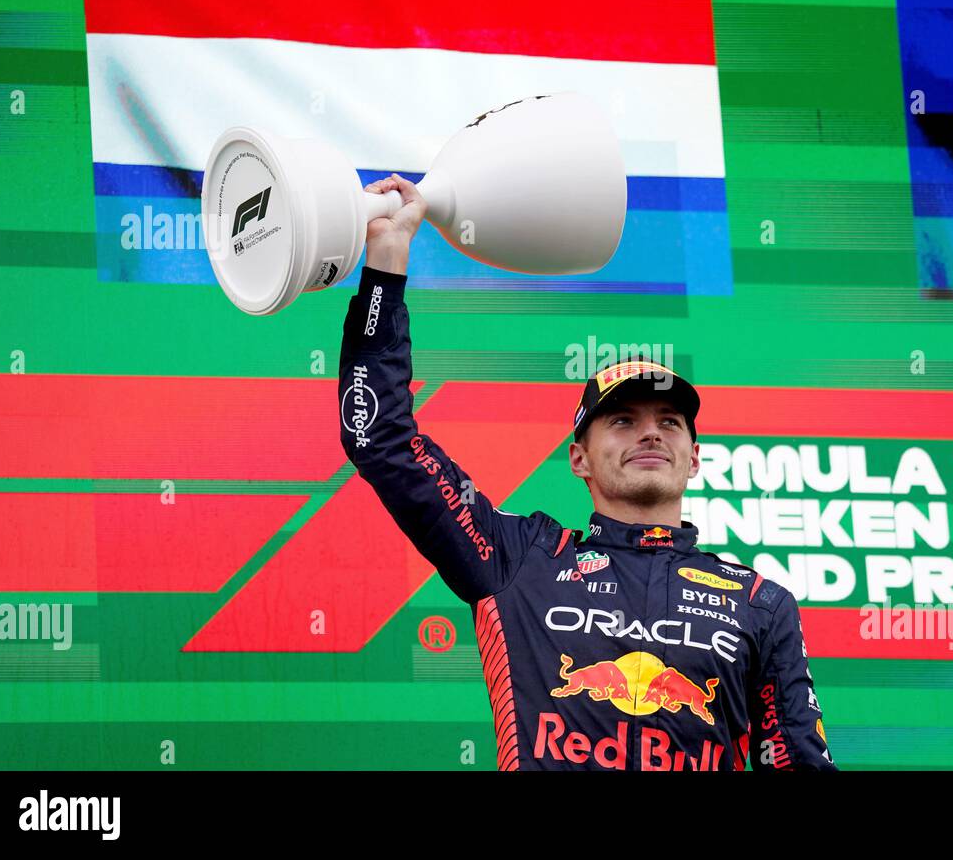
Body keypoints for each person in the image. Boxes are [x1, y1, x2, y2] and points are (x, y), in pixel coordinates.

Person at [338, 174, 835, 772]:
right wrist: (387, 261)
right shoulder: (519, 557)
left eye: (670, 423)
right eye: (622, 421)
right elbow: (379, 436)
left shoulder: (761, 604)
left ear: (695, 457)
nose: (651, 432)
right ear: (579, 458)